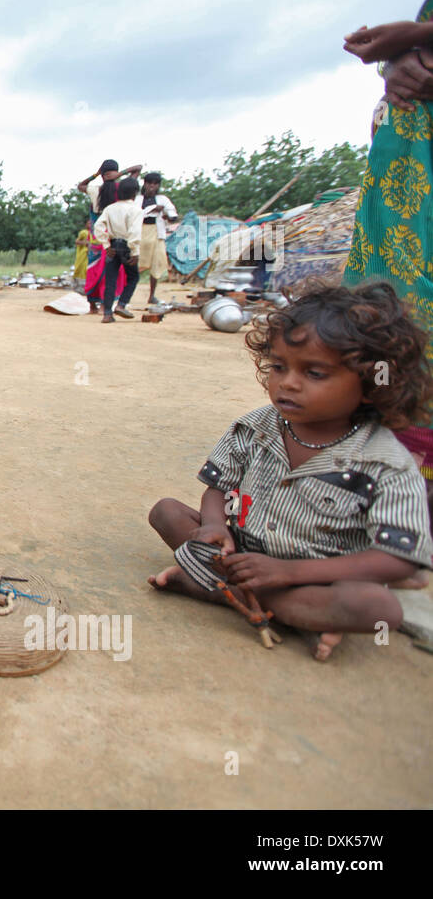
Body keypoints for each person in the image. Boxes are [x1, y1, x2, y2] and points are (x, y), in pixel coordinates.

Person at [147, 283, 433, 661]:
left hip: (316, 576)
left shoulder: (385, 462)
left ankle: (217, 588)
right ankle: (287, 611)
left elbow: (396, 559)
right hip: (241, 552)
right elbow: (218, 486)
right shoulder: (256, 426)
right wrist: (215, 526)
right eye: (278, 367)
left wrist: (287, 573)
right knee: (166, 511)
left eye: (314, 373)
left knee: (377, 607)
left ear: (369, 383)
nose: (288, 383)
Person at [342, 0, 433, 495]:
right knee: (396, 313)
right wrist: (408, 55)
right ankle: (395, 481)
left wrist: (416, 37)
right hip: (410, 166)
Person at [93, 177, 143, 322]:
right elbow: (134, 232)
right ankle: (121, 305)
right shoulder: (135, 210)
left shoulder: (110, 208)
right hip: (127, 246)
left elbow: (98, 227)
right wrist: (135, 251)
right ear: (135, 193)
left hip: (113, 246)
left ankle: (107, 314)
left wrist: (106, 245)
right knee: (133, 277)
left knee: (111, 281)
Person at [135, 172, 178, 304]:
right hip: (140, 233)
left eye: (155, 184)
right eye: (150, 183)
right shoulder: (137, 199)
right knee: (134, 264)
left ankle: (152, 295)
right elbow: (134, 215)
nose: (152, 186)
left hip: (156, 234)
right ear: (145, 184)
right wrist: (150, 209)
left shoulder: (163, 199)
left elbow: (173, 216)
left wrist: (166, 215)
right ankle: (124, 295)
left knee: (156, 264)